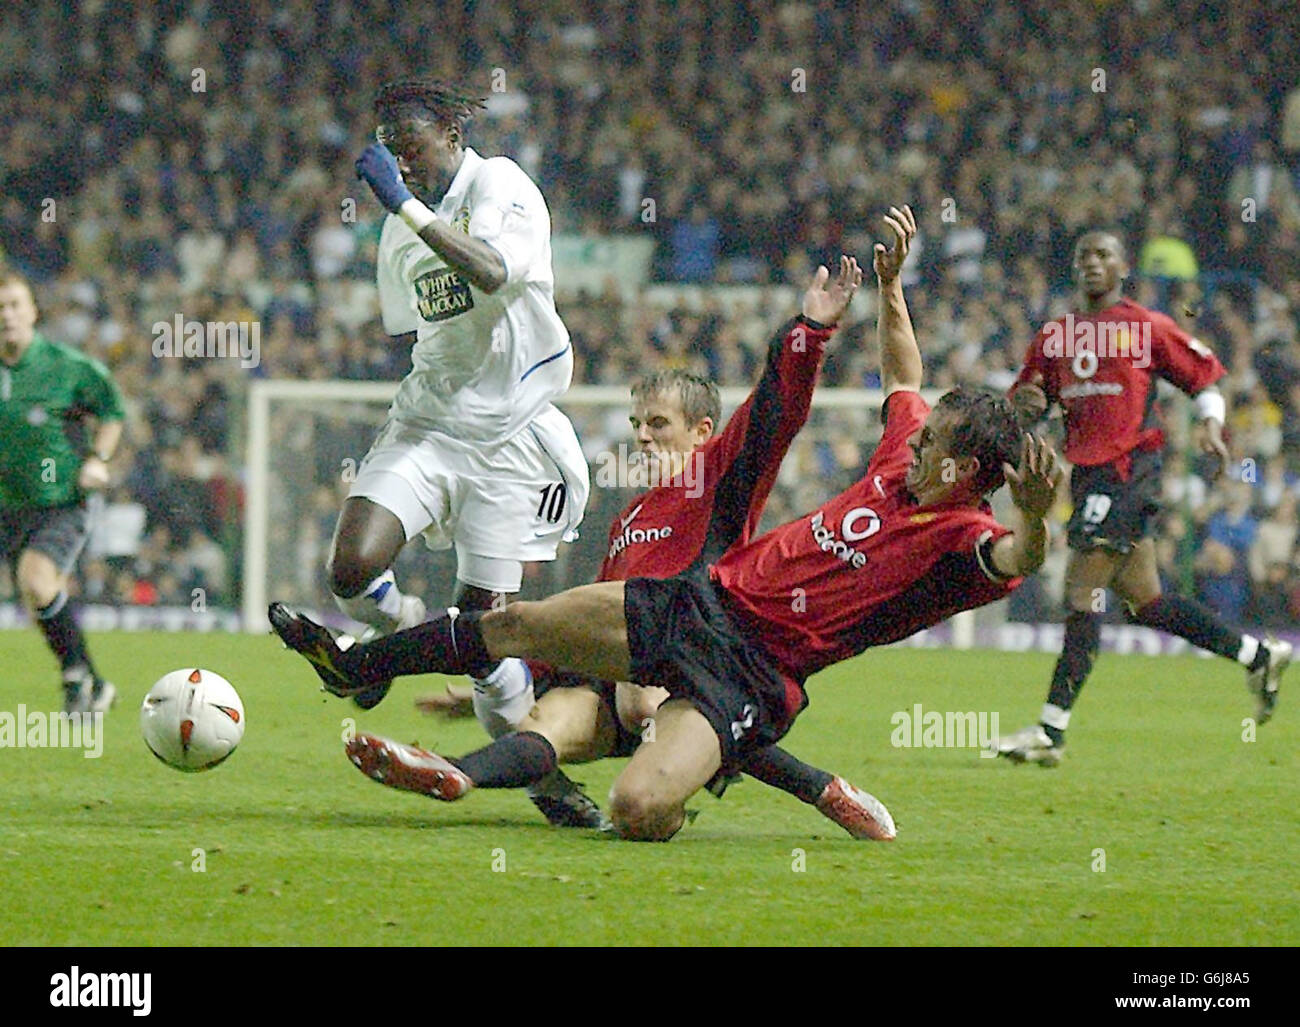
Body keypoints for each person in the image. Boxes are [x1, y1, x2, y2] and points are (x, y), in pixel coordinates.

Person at [271, 205, 1060, 842]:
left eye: (930, 441)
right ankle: (364, 673)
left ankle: (749, 785)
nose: (912, 434)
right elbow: (905, 374)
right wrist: (891, 289)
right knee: (512, 626)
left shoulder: (961, 545)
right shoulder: (896, 461)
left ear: (957, 472)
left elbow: (1018, 552)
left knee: (638, 809)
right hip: (700, 604)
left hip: (756, 673)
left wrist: (1031, 513)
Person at [351, 256, 901, 839]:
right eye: (638, 422)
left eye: (659, 423)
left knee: (643, 708)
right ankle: (453, 772)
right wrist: (510, 681)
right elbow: (594, 619)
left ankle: (818, 787)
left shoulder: (720, 478)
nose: (641, 435)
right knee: (551, 718)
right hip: (619, 673)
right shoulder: (631, 516)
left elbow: (776, 413)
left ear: (703, 432)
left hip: (692, 666)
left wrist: (810, 333)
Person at [325, 78, 595, 825]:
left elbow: (494, 273)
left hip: (508, 439)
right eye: (389, 151)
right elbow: (422, 325)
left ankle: (544, 783)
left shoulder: (501, 184)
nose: (401, 164)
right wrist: (407, 214)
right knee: (350, 567)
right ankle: (394, 617)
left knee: (484, 633)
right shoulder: (398, 225)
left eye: (409, 144)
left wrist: (406, 209)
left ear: (450, 130)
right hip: (432, 423)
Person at [996, 230, 1290, 766]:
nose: (1092, 263)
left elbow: (1203, 380)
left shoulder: (1145, 327)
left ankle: (1050, 731)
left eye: (1104, 255)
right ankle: (1257, 654)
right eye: (1083, 254)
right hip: (1087, 474)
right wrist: (1028, 403)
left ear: (1123, 266)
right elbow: (1026, 398)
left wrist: (1210, 426)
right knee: (1145, 599)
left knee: (1079, 588)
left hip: (1130, 469)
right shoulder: (1055, 336)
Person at [0, 270, 123, 713]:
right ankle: (88, 678)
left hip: (60, 502)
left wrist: (98, 460)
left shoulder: (67, 367)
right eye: (0, 308)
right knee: (38, 599)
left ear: (33, 311)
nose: (7, 315)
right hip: (6, 506)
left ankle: (78, 677)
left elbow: (111, 411)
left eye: (15, 305)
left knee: (37, 580)